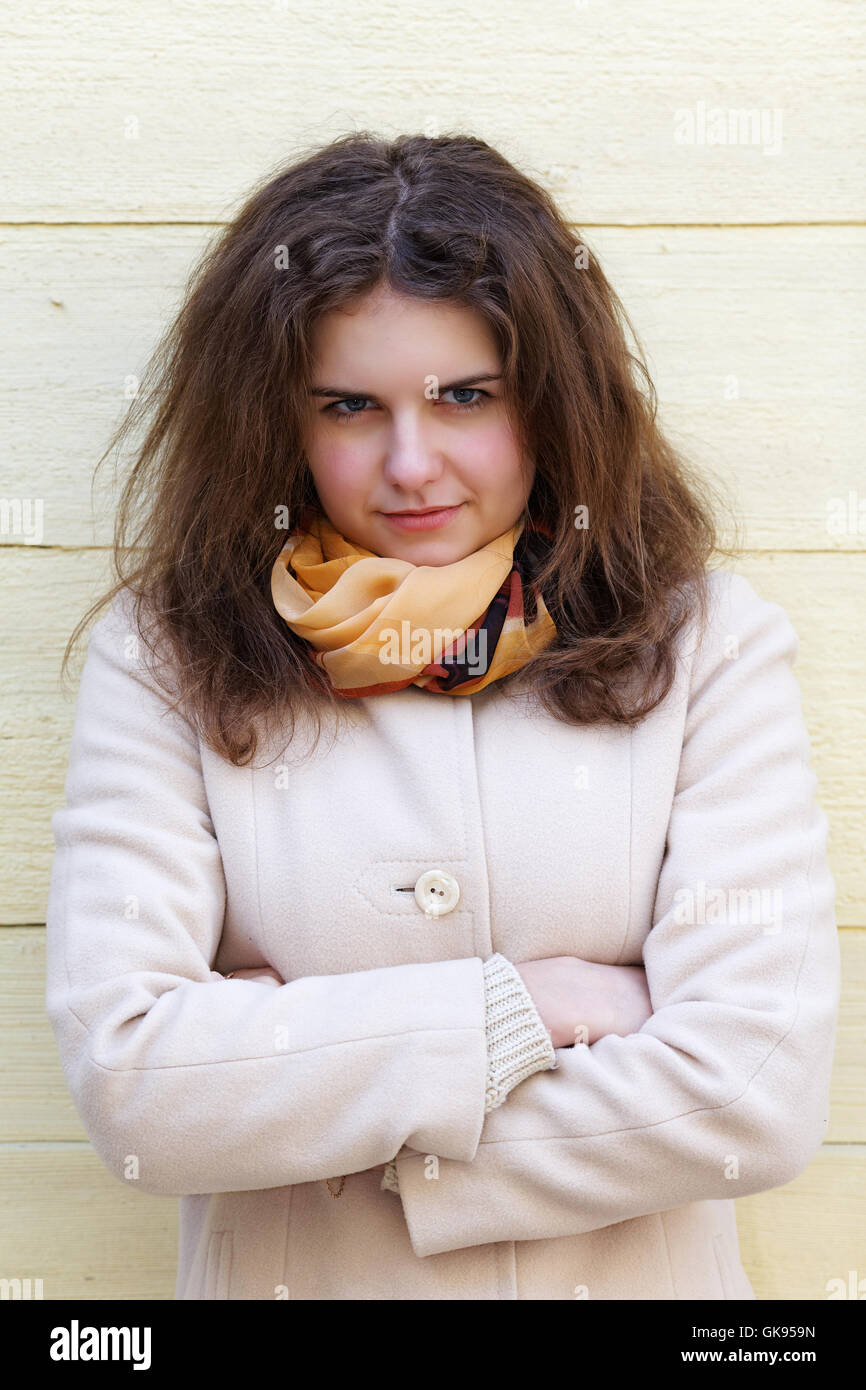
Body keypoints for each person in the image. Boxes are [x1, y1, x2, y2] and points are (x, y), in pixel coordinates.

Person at [45, 131, 840, 1301]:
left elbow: (751, 1096)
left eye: (464, 396)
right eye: (348, 405)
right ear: (278, 421)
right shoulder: (168, 656)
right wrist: (533, 1009)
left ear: (554, 400)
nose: (411, 463)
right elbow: (138, 1091)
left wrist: (309, 1096)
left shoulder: (703, 643)